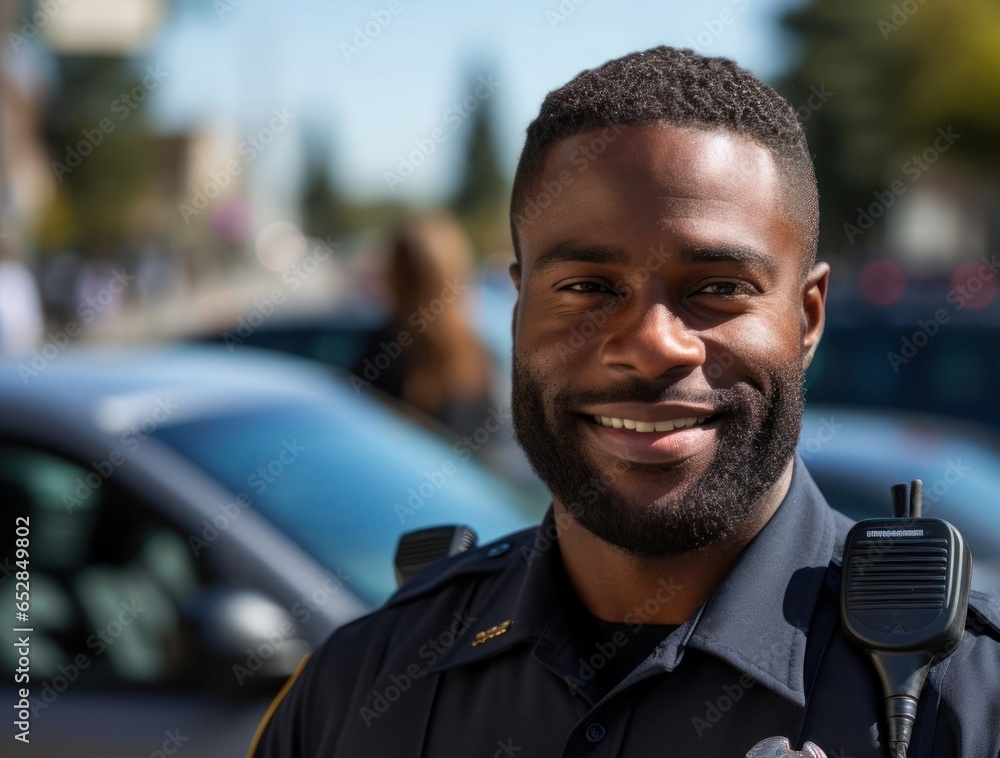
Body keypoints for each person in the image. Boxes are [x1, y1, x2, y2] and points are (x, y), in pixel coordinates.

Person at [249, 46, 1000, 757]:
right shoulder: (359, 689)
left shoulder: (975, 699)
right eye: (587, 287)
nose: (652, 344)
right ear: (517, 310)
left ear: (807, 318)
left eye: (719, 288)